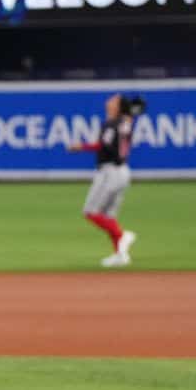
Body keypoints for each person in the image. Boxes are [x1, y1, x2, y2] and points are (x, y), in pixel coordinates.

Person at [67, 93, 140, 268]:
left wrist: (81, 146)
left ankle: (122, 236)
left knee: (91, 212)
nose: (109, 100)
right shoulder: (125, 122)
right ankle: (120, 255)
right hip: (123, 172)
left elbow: (103, 146)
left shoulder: (110, 124)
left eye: (114, 100)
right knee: (108, 216)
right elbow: (126, 124)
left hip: (110, 172)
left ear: (117, 107)